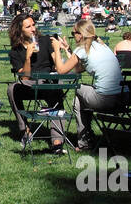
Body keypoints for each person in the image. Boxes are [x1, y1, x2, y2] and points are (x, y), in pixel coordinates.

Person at [50, 19, 124, 149]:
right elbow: (78, 68)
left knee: (78, 91)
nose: (73, 37)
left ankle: (85, 141)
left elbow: (61, 71)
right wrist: (67, 50)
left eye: (73, 34)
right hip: (123, 96)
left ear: (80, 34)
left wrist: (56, 49)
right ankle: (85, 139)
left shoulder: (82, 49)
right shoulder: (102, 45)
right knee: (79, 102)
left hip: (106, 99)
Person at [8, 14, 65, 148]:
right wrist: (27, 57)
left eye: (33, 25)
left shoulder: (45, 41)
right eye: (28, 27)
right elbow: (24, 78)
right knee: (12, 88)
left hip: (47, 81)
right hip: (29, 85)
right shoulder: (15, 51)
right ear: (19, 30)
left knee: (57, 85)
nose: (33, 29)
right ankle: (25, 131)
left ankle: (57, 140)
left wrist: (59, 50)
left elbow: (58, 66)